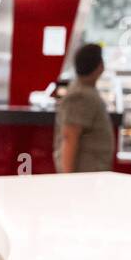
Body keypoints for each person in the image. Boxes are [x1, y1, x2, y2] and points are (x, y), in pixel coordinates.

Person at [54, 43, 114, 174]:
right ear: (99, 66)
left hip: (88, 175)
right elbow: (70, 137)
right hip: (83, 177)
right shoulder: (81, 95)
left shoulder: (85, 91)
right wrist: (69, 179)